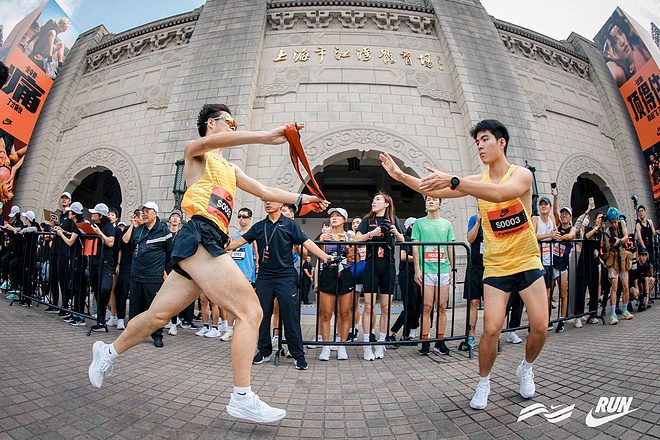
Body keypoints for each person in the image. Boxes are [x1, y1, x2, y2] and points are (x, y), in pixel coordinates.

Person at [88, 104, 327, 423]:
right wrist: (265, 137)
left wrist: (303, 200)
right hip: (199, 234)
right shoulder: (196, 153)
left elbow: (265, 190)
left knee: (157, 315)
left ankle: (108, 352)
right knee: (252, 312)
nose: (233, 127)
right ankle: (242, 397)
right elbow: (208, 144)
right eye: (229, 122)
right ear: (212, 124)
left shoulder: (230, 170)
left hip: (209, 240)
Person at [381, 119, 548, 410]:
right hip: (495, 265)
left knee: (541, 327)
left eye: (485, 140)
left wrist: (455, 180)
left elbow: (500, 194)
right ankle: (484, 382)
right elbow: (429, 187)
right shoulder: (477, 181)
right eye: (477, 142)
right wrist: (400, 175)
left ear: (501, 142)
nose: (481, 146)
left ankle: (526, 368)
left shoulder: (520, 175)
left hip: (526, 259)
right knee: (492, 329)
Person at [227, 201, 333, 369]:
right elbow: (237, 242)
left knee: (290, 316)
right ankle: (263, 351)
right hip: (265, 277)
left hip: (286, 276)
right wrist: (220, 245)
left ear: (280, 202)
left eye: (272, 200)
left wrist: (325, 256)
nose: (268, 203)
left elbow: (306, 242)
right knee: (262, 316)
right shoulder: (260, 226)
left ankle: (298, 355)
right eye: (265, 201)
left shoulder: (290, 225)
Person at [354, 191, 405, 360]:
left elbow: (402, 240)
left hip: (388, 266)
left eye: (378, 200)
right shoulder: (367, 221)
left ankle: (381, 343)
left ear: (387, 204)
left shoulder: (393, 220)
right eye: (373, 199)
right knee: (368, 306)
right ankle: (367, 343)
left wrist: (395, 232)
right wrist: (372, 234)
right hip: (371, 265)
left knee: (386, 307)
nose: (374, 202)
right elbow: (356, 239)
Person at [123, 202, 173, 347]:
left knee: (154, 309)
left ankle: (157, 336)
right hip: (136, 275)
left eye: (147, 211)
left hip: (154, 277)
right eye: (142, 212)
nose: (144, 214)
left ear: (155, 213)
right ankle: (132, 333)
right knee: (135, 307)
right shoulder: (138, 230)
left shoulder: (164, 232)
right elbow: (133, 248)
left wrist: (166, 274)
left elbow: (170, 255)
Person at [411, 196, 455, 356]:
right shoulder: (419, 223)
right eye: (428, 199)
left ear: (440, 204)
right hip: (426, 270)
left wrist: (453, 268)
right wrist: (417, 268)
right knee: (427, 307)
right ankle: (425, 341)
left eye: (434, 199)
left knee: (442, 307)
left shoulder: (447, 224)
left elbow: (450, 247)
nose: (431, 201)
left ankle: (440, 341)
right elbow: (415, 246)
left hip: (443, 270)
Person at [316, 207, 354, 361]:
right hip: (328, 273)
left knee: (344, 313)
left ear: (345, 220)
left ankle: (342, 346)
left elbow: (354, 258)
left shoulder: (350, 235)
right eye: (332, 216)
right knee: (326, 313)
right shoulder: (325, 235)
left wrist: (348, 245)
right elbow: (320, 257)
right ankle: (325, 346)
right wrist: (323, 243)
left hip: (344, 273)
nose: (334, 218)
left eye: (338, 216)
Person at [388, 217, 421, 343]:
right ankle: (392, 332)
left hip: (416, 273)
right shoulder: (407, 239)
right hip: (407, 273)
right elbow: (403, 256)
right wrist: (419, 257)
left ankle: (405, 335)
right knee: (410, 306)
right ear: (411, 227)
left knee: (416, 305)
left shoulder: (418, 240)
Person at [54, 202, 86, 326]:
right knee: (75, 287)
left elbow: (70, 242)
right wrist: (64, 231)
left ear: (74, 213)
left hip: (78, 259)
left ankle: (79, 316)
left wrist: (61, 234)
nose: (68, 213)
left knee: (78, 288)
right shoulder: (77, 224)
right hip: (75, 258)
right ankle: (74, 314)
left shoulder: (79, 224)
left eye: (70, 211)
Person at [601, 207, 634, 324]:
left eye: (615, 221)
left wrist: (619, 240)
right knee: (614, 286)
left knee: (625, 286)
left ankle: (625, 310)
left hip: (622, 257)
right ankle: (613, 314)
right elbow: (604, 250)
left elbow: (626, 237)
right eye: (612, 222)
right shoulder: (608, 231)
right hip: (613, 259)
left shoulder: (622, 223)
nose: (614, 224)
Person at [88, 203, 116, 329]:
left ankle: (104, 312)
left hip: (106, 264)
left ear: (100, 215)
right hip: (94, 263)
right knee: (96, 290)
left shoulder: (109, 226)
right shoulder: (94, 226)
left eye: (95, 213)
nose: (92, 214)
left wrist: (99, 233)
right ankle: (100, 320)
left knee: (105, 288)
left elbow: (110, 242)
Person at [532, 196, 559, 329]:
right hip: (538, 260)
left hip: (550, 259)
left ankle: (546, 320)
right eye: (541, 204)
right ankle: (536, 321)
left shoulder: (552, 219)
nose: (543, 206)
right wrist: (549, 236)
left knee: (548, 292)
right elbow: (532, 236)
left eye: (545, 204)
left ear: (549, 207)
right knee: (538, 293)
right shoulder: (535, 219)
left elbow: (556, 232)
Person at [550, 204, 577, 333]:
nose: (564, 216)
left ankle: (561, 320)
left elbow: (571, 236)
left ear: (570, 216)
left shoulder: (572, 228)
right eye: (562, 214)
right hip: (552, 263)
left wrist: (559, 237)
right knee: (548, 294)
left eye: (566, 214)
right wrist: (555, 197)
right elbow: (554, 212)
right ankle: (548, 320)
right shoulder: (557, 226)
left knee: (563, 293)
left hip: (563, 265)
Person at [45, 192, 73, 313]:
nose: (64, 200)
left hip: (64, 250)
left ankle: (65, 305)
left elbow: (72, 232)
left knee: (63, 278)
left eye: (66, 198)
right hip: (55, 249)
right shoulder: (59, 215)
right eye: (62, 198)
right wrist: (52, 226)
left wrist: (63, 231)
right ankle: (53, 303)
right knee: (53, 277)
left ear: (70, 201)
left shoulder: (71, 216)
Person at [463, 212, 485, 349]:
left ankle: (492, 336)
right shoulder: (474, 218)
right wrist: (478, 222)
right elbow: (470, 238)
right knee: (473, 302)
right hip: (475, 265)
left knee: (490, 304)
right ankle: (471, 336)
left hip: (491, 266)